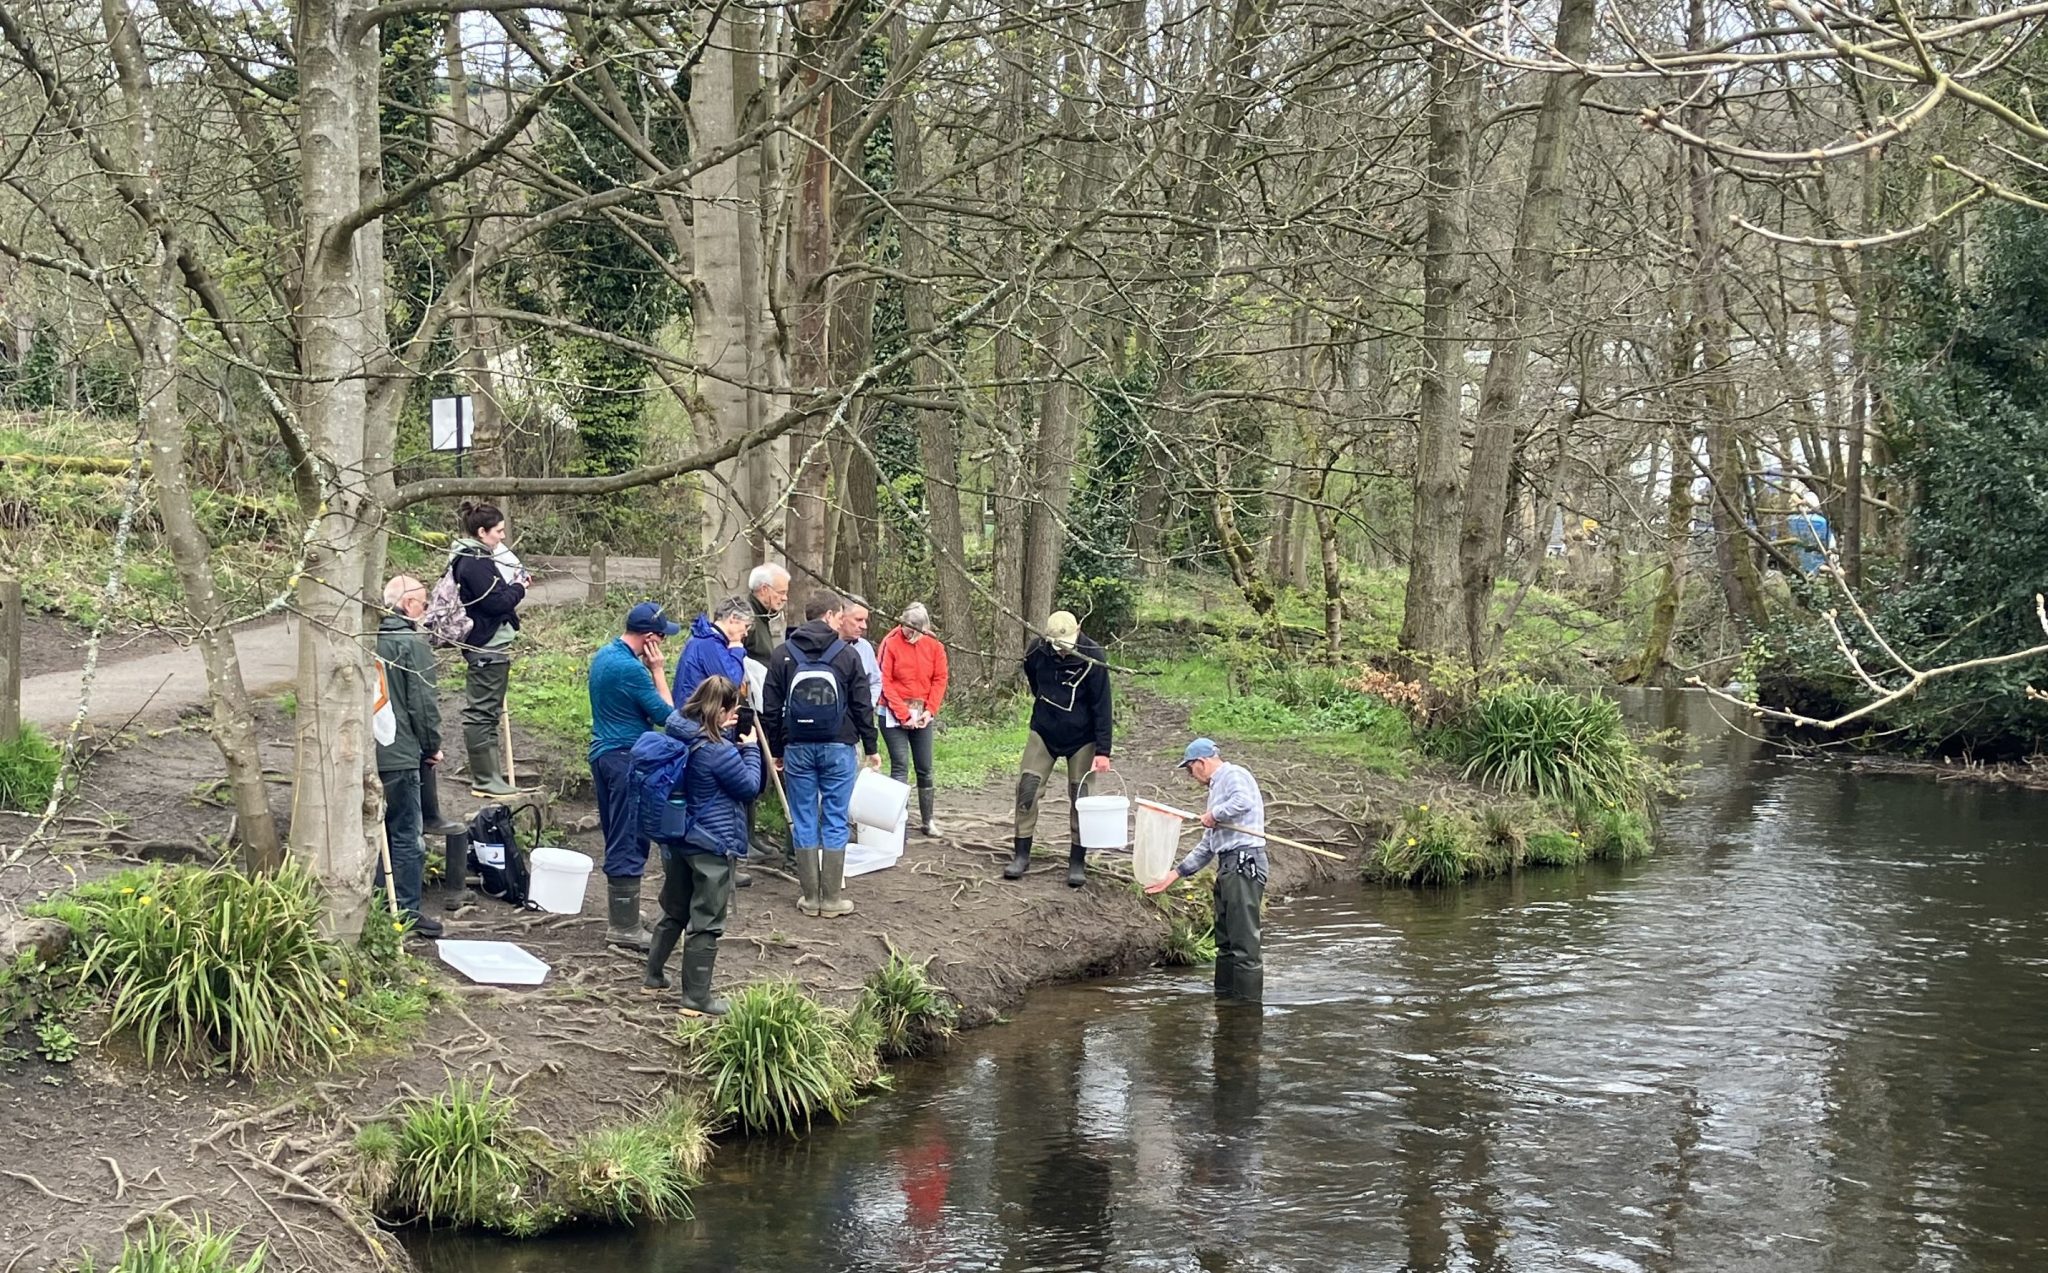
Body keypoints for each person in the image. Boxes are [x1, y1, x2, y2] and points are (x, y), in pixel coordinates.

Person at [642, 676, 763, 1016]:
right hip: (711, 842)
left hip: (679, 836)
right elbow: (749, 787)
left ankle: (652, 976)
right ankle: (696, 997)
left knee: (675, 909)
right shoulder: (717, 751)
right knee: (706, 919)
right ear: (721, 710)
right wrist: (751, 748)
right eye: (732, 711)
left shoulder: (679, 730)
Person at [763, 589, 881, 918]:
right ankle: (831, 900)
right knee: (835, 817)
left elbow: (770, 708)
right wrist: (870, 747)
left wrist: (776, 749)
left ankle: (809, 897)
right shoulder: (847, 654)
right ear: (829, 616)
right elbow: (862, 705)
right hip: (839, 745)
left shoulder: (783, 653)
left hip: (797, 747)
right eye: (840, 615)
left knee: (803, 817)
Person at [588, 601, 681, 951]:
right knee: (630, 835)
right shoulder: (633, 670)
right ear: (651, 638)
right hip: (627, 758)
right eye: (662, 639)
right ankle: (623, 927)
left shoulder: (604, 656)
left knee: (617, 830)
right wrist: (658, 671)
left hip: (604, 754)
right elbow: (667, 716)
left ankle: (622, 916)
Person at [1145, 739, 1266, 1003]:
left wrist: (1215, 814)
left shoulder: (1233, 774)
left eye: (1190, 770)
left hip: (1244, 863)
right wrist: (1175, 874)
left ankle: (1246, 1009)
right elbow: (1207, 845)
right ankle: (1224, 1000)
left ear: (1201, 762)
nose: (1191, 776)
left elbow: (1243, 802)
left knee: (1244, 945)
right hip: (1227, 865)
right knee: (1225, 944)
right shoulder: (1215, 790)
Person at [1006, 610, 1113, 888]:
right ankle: (1021, 854)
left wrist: (1103, 750)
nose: (1063, 651)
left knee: (1082, 797)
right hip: (1044, 730)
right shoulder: (1037, 651)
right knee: (1027, 787)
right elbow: (1033, 681)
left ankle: (1077, 860)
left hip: (1083, 737)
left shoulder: (1093, 656)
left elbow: (1103, 704)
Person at [375, 575, 445, 938]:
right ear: (406, 605)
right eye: (422, 602)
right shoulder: (410, 641)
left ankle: (375, 905)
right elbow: (422, 701)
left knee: (374, 829)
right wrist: (431, 744)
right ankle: (405, 910)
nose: (427, 608)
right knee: (405, 832)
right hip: (399, 752)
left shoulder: (367, 634)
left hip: (367, 749)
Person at [671, 595, 757, 889]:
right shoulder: (711, 645)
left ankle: (724, 864)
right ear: (732, 620)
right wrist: (737, 651)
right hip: (704, 731)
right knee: (719, 798)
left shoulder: (700, 641)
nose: (745, 634)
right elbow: (730, 681)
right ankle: (719, 866)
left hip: (697, 726)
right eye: (744, 627)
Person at [449, 501, 529, 797]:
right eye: (498, 531)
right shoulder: (475, 561)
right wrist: (520, 587)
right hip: (486, 645)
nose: (503, 537)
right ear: (482, 532)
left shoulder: (477, 557)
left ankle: (491, 776)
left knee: (488, 712)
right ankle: (485, 778)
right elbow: (495, 602)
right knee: (482, 713)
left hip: (489, 644)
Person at [880, 603, 949, 836]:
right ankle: (899, 821)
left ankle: (927, 820)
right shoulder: (890, 643)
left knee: (925, 767)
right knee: (900, 765)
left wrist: (930, 710)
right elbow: (885, 682)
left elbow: (939, 679)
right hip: (893, 714)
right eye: (907, 628)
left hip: (922, 715)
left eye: (915, 631)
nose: (909, 634)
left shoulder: (934, 645)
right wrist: (902, 713)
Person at [743, 563, 791, 665]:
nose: (785, 598)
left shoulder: (762, 616)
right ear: (764, 589)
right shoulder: (746, 618)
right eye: (781, 592)